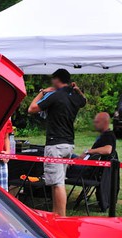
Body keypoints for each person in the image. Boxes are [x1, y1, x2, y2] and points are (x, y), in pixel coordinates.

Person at [27, 68, 86, 216]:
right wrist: (78, 90)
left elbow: (31, 109)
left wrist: (42, 92)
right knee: (57, 182)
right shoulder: (74, 96)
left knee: (57, 183)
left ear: (56, 79)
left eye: (53, 79)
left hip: (55, 144)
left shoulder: (55, 96)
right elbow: (84, 101)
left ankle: (61, 216)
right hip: (68, 144)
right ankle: (56, 214)